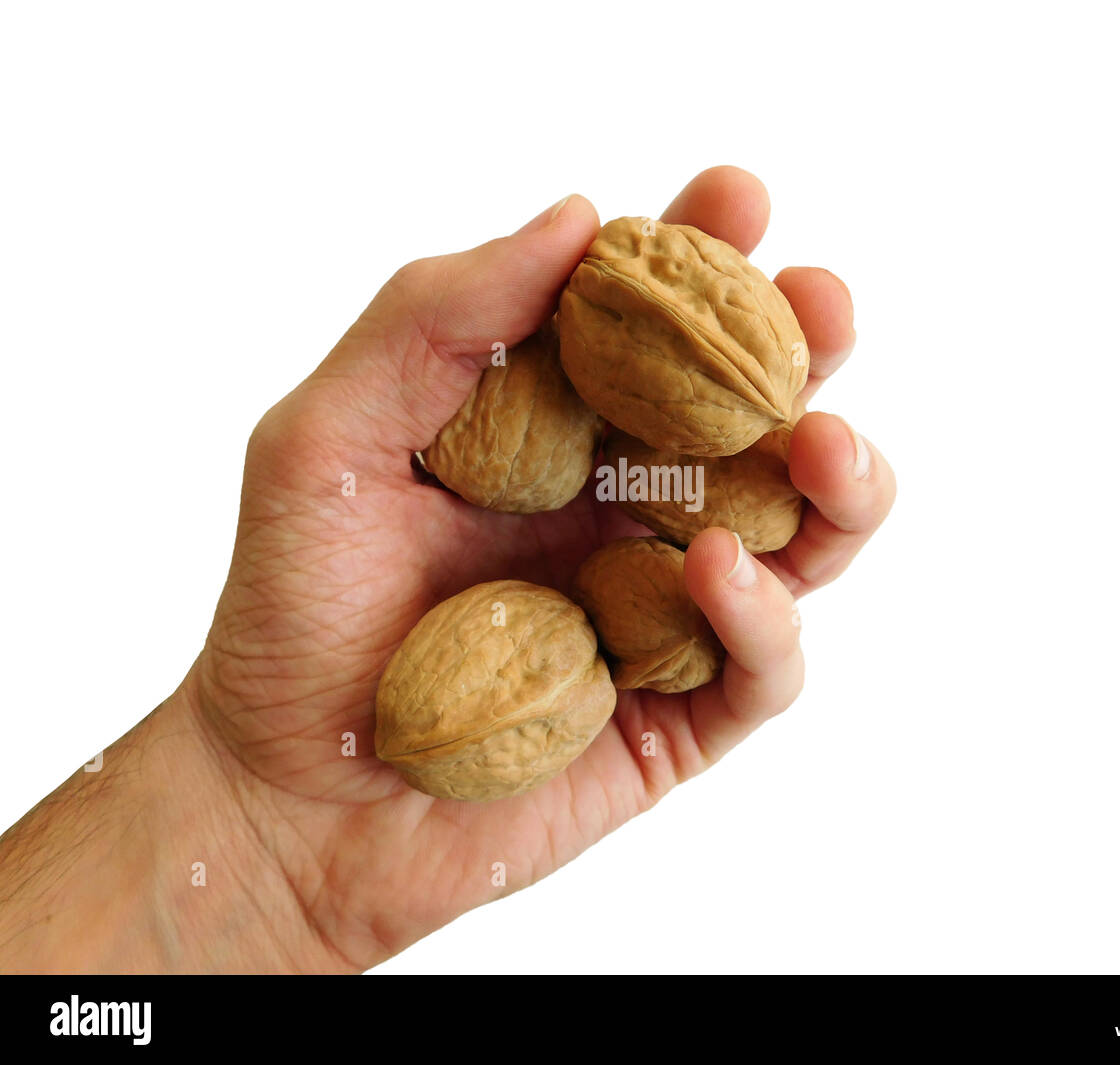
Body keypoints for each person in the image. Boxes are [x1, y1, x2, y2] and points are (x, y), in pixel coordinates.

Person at [0, 166, 895, 972]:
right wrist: (248, 817)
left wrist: (257, 850)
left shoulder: (635, 514)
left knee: (773, 499)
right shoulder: (562, 427)